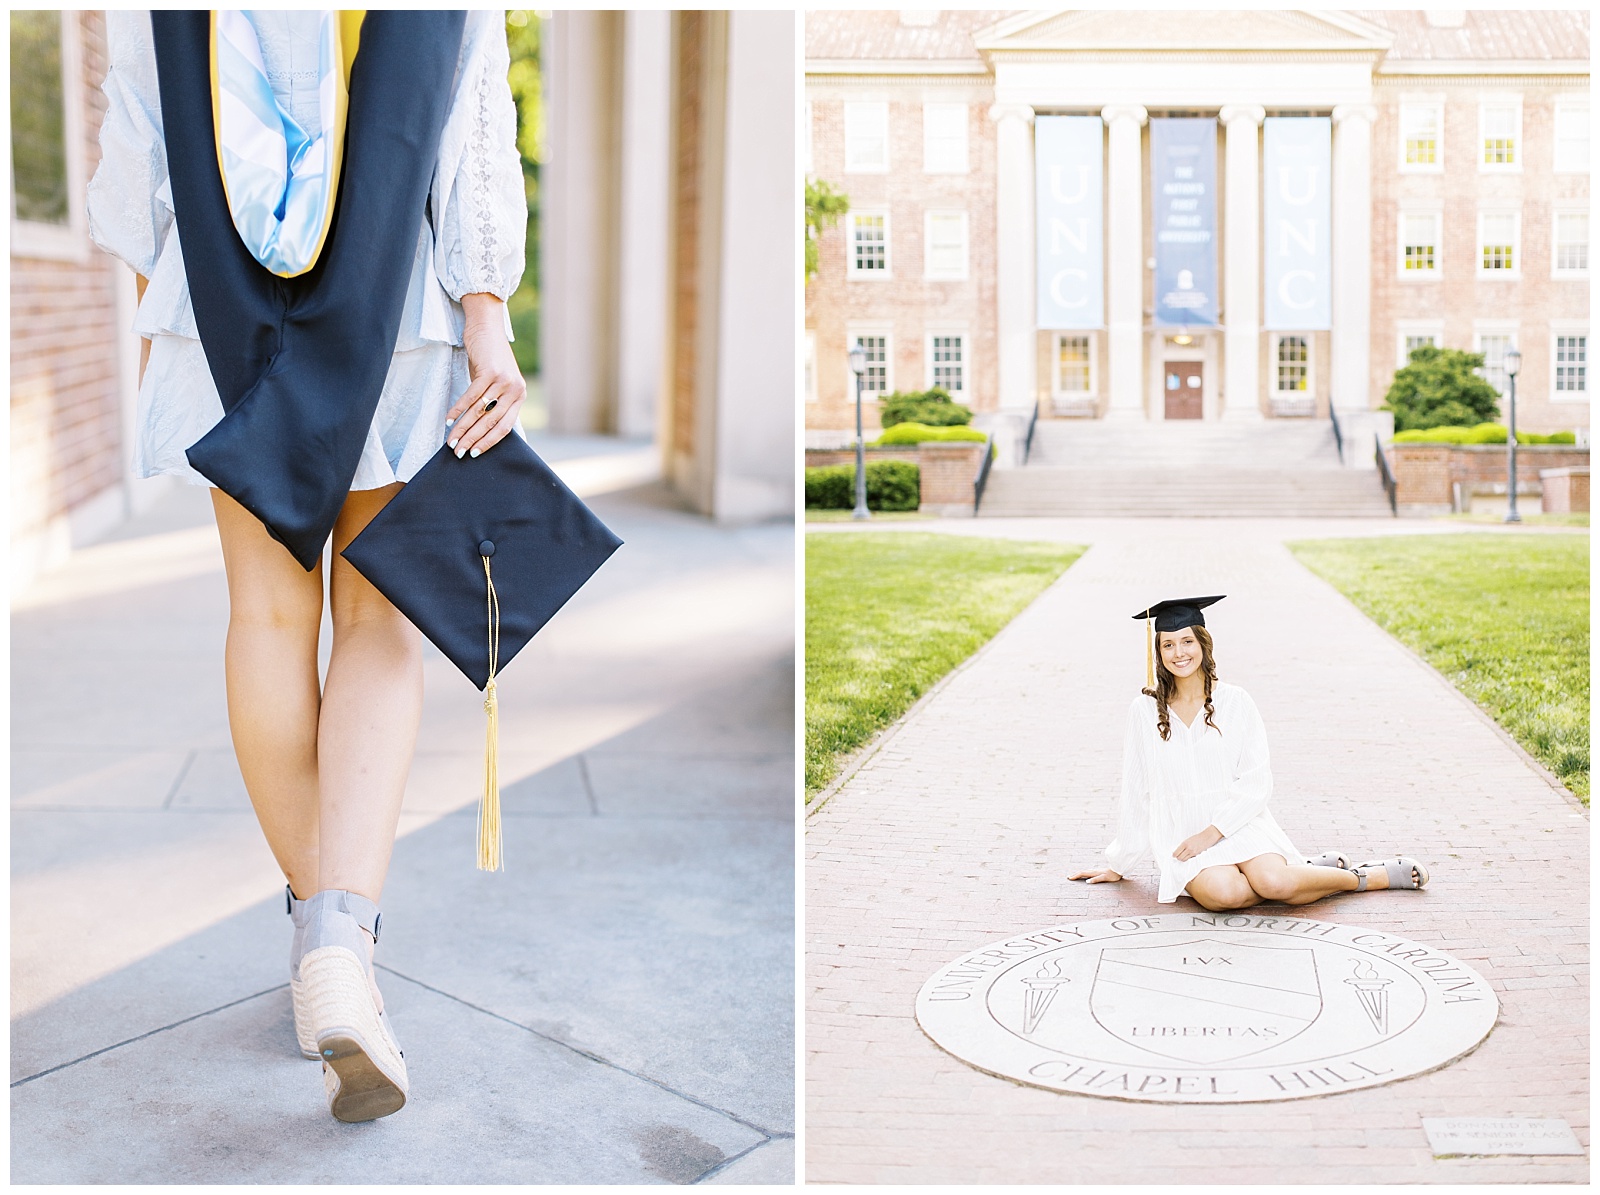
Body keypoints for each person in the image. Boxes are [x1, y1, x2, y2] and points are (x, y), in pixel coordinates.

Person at [88, 10, 528, 1122]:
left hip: (223, 301)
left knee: (267, 619)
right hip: (395, 297)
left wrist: (159, 308)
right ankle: (342, 947)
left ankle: (321, 946)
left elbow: (139, 125)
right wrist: (488, 312)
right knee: (377, 622)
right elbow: (471, 114)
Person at [1068, 597, 1429, 909]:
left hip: (1237, 823)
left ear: (1203, 644)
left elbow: (1256, 780)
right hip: (1183, 837)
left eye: (1187, 641)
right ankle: (1306, 873)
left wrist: (1213, 832)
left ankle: (1362, 877)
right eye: (1168, 645)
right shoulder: (1144, 711)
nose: (1179, 653)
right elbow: (1136, 789)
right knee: (1224, 894)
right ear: (1158, 652)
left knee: (1273, 882)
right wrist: (1120, 863)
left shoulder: (1235, 702)